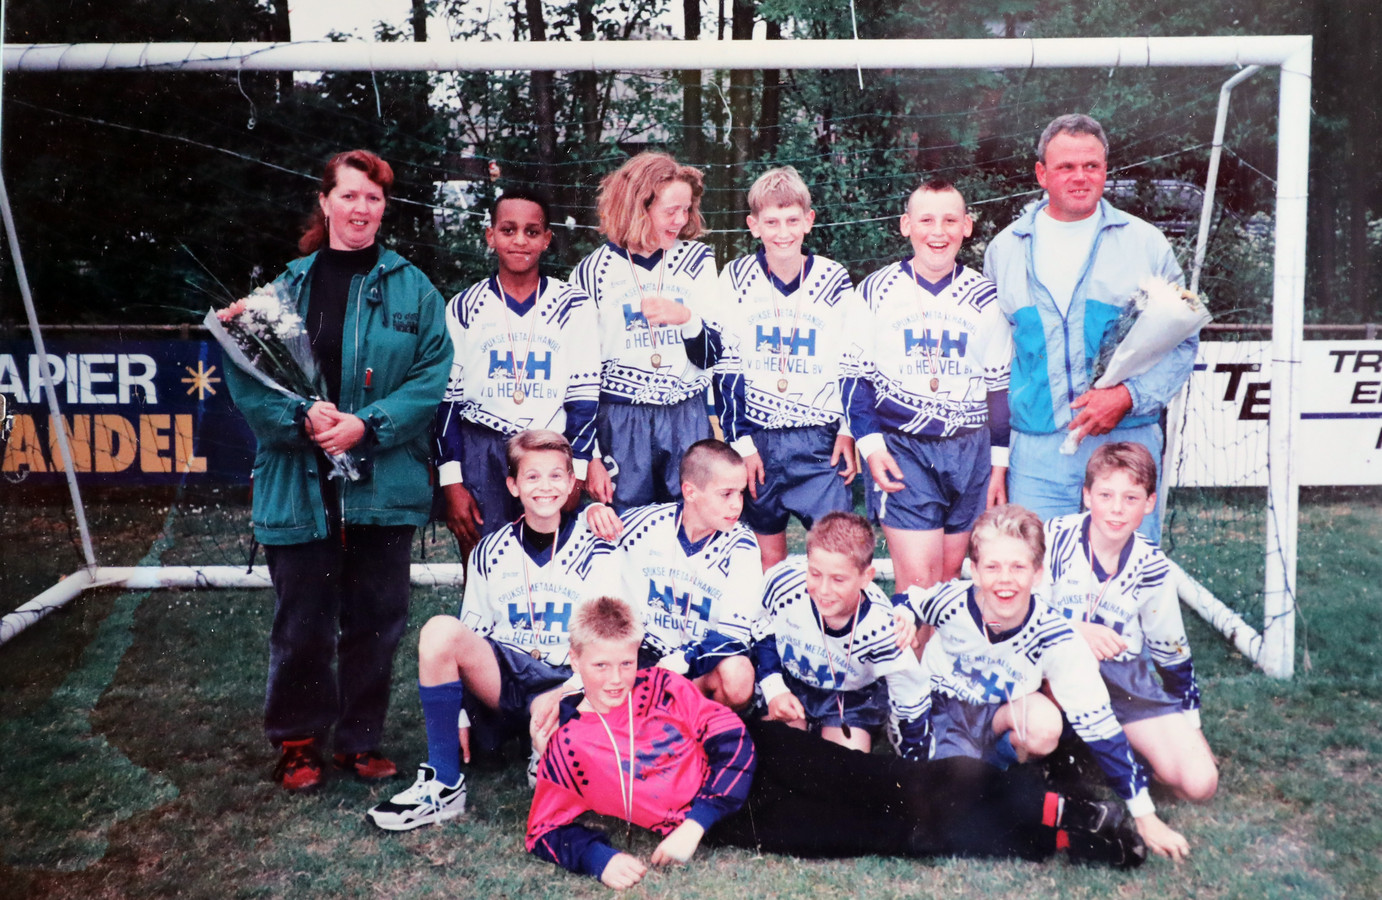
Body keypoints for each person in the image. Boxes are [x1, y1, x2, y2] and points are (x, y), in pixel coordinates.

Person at [526, 595, 1146, 889]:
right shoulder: (567, 748)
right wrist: (600, 860)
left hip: (769, 759)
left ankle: (1061, 803)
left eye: (625, 664)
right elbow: (545, 831)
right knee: (901, 835)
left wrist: (694, 823)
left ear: (639, 655)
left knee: (905, 787)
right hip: (745, 820)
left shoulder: (661, 685)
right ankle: (1069, 837)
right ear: (575, 660)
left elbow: (733, 742)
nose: (614, 680)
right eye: (600, 666)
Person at [222, 149, 451, 792]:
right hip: (301, 480)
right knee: (303, 621)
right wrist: (302, 418)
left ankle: (359, 740)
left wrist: (367, 425)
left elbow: (430, 378)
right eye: (349, 195)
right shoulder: (281, 290)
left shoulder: (414, 289)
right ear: (325, 202)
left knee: (377, 617)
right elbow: (250, 380)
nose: (361, 209)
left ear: (384, 208)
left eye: (373, 199)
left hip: (381, 478)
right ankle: (297, 741)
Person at [896, 503, 1190, 859]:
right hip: (945, 714)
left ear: (1037, 574)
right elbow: (909, 601)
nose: (1005, 579)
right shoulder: (951, 602)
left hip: (1002, 713)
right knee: (944, 810)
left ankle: (999, 771)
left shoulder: (1055, 634)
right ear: (973, 571)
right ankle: (1055, 815)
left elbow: (1098, 721)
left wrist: (1145, 815)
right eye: (992, 567)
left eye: (1018, 567)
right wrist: (904, 616)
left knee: (1045, 725)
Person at [366, 430, 618, 831]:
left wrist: (570, 693)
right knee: (440, 631)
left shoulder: (600, 546)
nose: (545, 487)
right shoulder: (490, 549)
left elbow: (613, 644)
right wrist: (461, 713)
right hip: (506, 679)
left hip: (566, 682)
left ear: (573, 482)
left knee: (559, 768)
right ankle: (444, 783)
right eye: (532, 477)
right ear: (513, 485)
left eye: (556, 476)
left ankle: (549, 743)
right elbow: (474, 632)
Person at [983, 113, 1196, 541]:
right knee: (1035, 579)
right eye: (1066, 167)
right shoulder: (1004, 249)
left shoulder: (1147, 243)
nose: (1080, 177)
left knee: (1125, 581)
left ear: (1105, 170)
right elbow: (995, 362)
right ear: (1042, 174)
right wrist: (999, 457)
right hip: (1038, 455)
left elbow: (1184, 343)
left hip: (1125, 443)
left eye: (1092, 166)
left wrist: (1127, 396)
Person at [841, 179, 1011, 596]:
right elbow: (853, 376)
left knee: (950, 581)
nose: (939, 231)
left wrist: (999, 463)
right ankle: (907, 661)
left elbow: (999, 391)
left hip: (969, 452)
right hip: (904, 447)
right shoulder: (876, 291)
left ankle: (936, 664)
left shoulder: (987, 297)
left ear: (967, 226)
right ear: (905, 225)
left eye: (950, 220)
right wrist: (871, 445)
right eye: (927, 220)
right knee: (918, 585)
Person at [1042, 442, 1218, 803]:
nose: (1117, 509)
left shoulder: (1152, 566)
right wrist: (1074, 631)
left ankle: (1119, 742)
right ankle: (1059, 748)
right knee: (1051, 692)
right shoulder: (1054, 537)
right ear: (1087, 496)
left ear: (1150, 503)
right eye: (1106, 495)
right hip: (1052, 672)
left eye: (1131, 498)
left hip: (1122, 679)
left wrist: (1194, 728)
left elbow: (1171, 653)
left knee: (1199, 784)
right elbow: (1017, 617)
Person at [434, 188, 601, 558]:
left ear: (546, 239)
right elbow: (448, 403)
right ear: (490, 236)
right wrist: (452, 481)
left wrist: (578, 468)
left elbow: (585, 397)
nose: (520, 240)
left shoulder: (573, 306)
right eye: (508, 230)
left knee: (552, 562)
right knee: (482, 563)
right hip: (483, 448)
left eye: (531, 231)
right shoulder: (464, 307)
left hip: (548, 450)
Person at [713, 166, 857, 570]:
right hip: (759, 441)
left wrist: (848, 430)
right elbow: (727, 367)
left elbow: (851, 360)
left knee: (834, 552)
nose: (783, 232)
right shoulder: (737, 278)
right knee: (766, 558)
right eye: (771, 222)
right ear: (753, 225)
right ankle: (768, 634)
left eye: (793, 220)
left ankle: (825, 633)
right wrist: (741, 443)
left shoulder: (833, 279)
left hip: (818, 441)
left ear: (809, 221)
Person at [571, 152, 725, 512]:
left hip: (685, 416)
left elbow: (712, 357)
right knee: (622, 530)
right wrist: (589, 455)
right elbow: (580, 376)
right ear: (640, 206)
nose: (681, 219)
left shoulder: (698, 262)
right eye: (671, 210)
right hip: (622, 421)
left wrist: (686, 318)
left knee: (694, 522)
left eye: (686, 209)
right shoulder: (592, 272)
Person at [586, 439, 763, 710]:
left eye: (740, 493)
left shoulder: (742, 545)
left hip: (697, 664)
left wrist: (680, 663)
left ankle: (693, 723)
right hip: (646, 656)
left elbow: (733, 637)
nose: (737, 505)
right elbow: (579, 530)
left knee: (738, 676)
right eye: (726, 494)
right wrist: (592, 511)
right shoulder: (646, 524)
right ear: (690, 492)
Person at [752, 511, 928, 756]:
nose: (823, 590)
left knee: (843, 774)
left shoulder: (883, 629)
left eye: (838, 579)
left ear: (866, 577)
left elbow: (911, 701)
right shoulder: (781, 583)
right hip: (792, 683)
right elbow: (761, 629)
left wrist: (915, 765)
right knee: (779, 757)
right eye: (815, 573)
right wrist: (774, 689)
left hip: (852, 698)